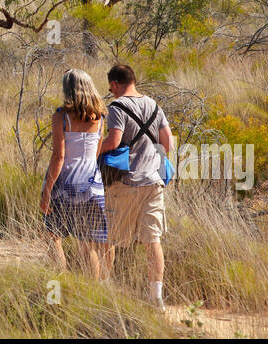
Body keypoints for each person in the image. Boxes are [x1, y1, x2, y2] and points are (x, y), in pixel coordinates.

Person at [99, 63, 173, 308]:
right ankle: (156, 298)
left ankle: (104, 290)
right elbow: (167, 144)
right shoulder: (154, 105)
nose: (112, 93)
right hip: (153, 182)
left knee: (108, 238)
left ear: (116, 84)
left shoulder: (117, 106)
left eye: (111, 89)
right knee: (152, 241)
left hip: (126, 182)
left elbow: (114, 139)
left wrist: (94, 149)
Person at [40, 69, 109, 279]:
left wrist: (46, 191)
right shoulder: (99, 117)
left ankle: (60, 285)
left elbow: (59, 157)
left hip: (67, 183)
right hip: (94, 184)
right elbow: (96, 154)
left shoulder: (61, 116)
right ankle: (92, 293)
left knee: (52, 236)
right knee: (88, 244)